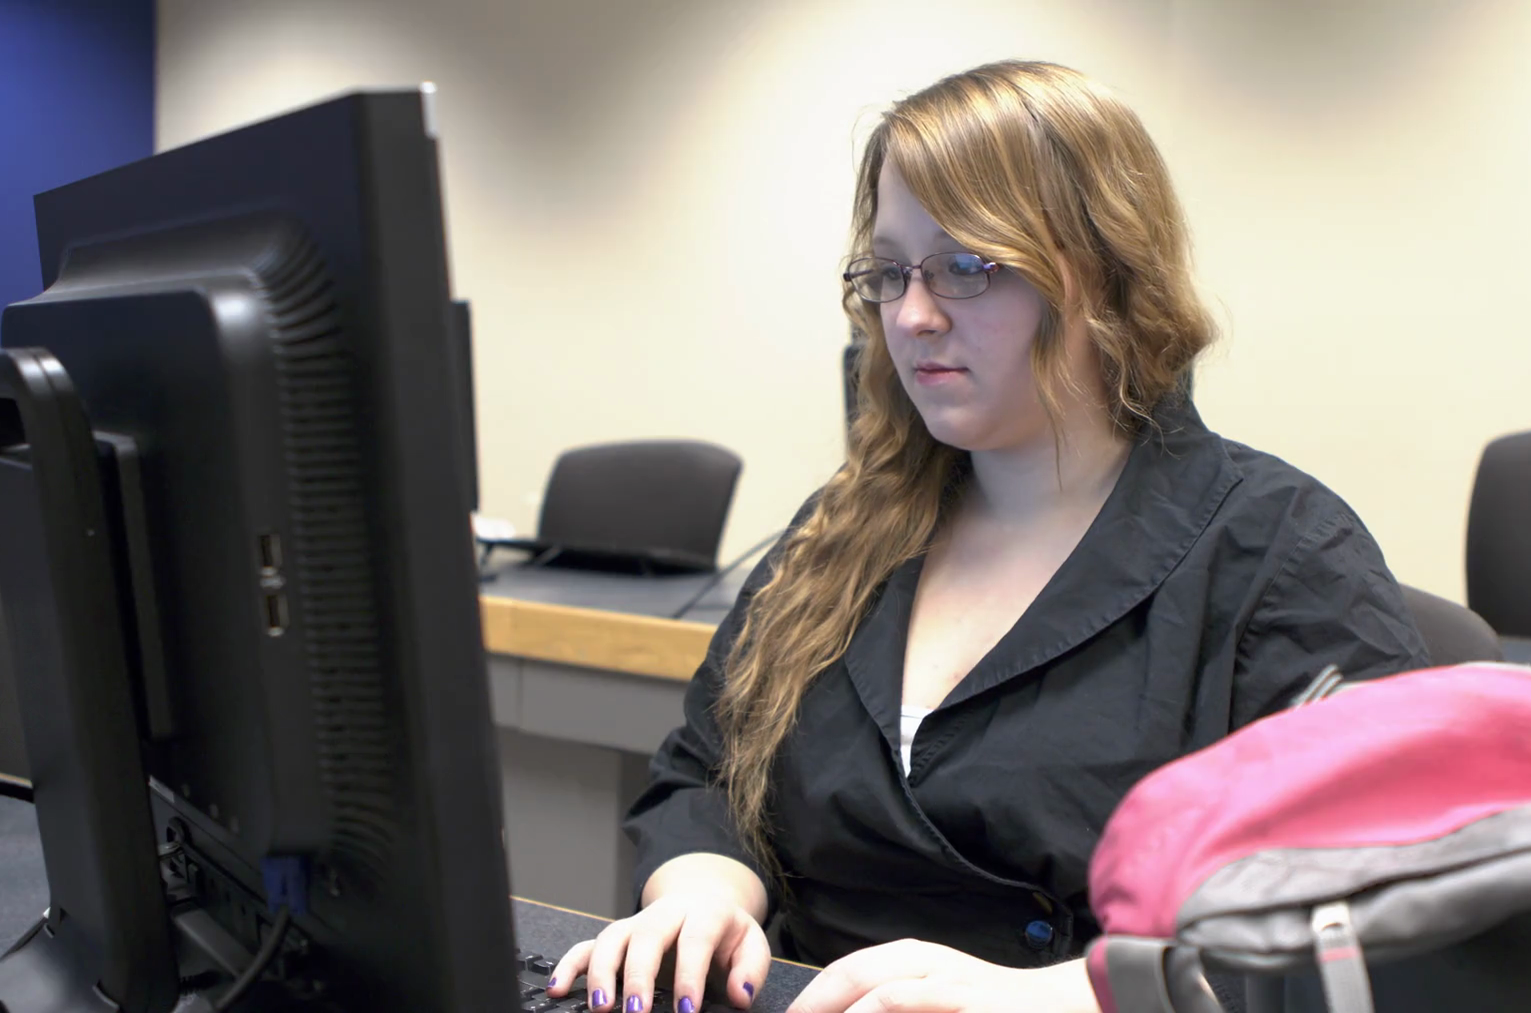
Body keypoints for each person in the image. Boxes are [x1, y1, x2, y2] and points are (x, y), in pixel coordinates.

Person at [548, 60, 1429, 1013]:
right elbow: (708, 772)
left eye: (966, 266)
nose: (912, 315)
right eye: (890, 273)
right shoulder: (848, 528)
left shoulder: (1280, 553)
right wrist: (703, 893)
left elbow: (1375, 904)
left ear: (1105, 274)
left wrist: (1070, 995)